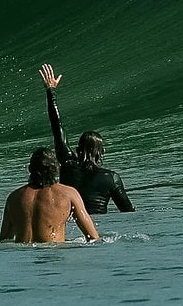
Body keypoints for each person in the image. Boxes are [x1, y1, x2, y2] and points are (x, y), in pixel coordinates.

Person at [40, 64, 135, 214]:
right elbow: (128, 211)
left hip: (67, 225)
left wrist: (50, 91)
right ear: (102, 152)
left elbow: (57, 126)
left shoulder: (67, 164)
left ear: (77, 149)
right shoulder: (111, 178)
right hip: (96, 227)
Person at [0, 148, 98, 244]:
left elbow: (3, 241)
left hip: (22, 253)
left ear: (30, 169)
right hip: (52, 252)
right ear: (55, 168)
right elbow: (93, 237)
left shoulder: (13, 197)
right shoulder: (69, 194)